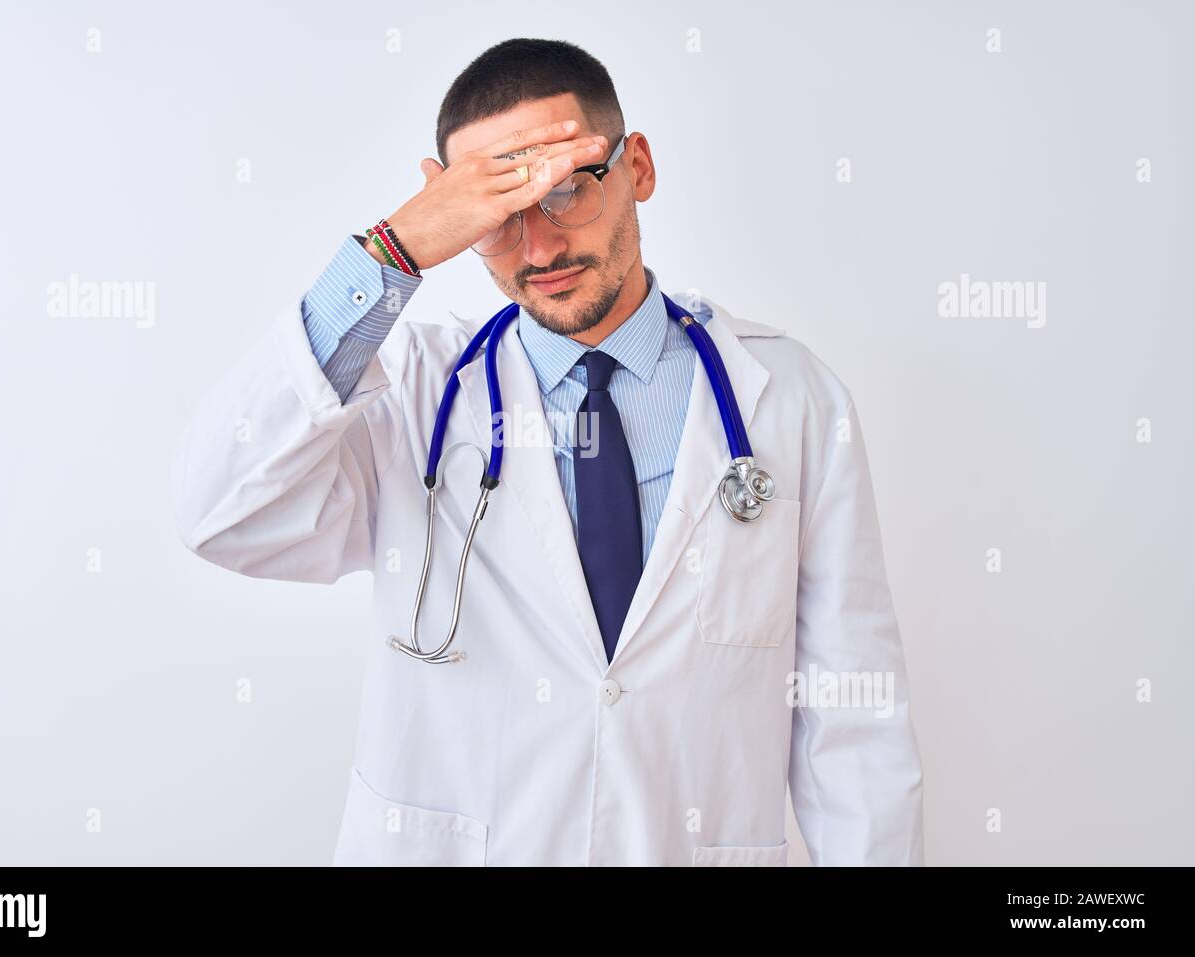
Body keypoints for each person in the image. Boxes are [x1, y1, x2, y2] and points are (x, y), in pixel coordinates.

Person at [171, 37, 924, 866]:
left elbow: (852, 729)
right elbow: (219, 510)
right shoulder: (416, 394)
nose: (539, 248)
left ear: (636, 166)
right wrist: (388, 253)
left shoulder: (792, 399)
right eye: (497, 216)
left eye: (565, 190)